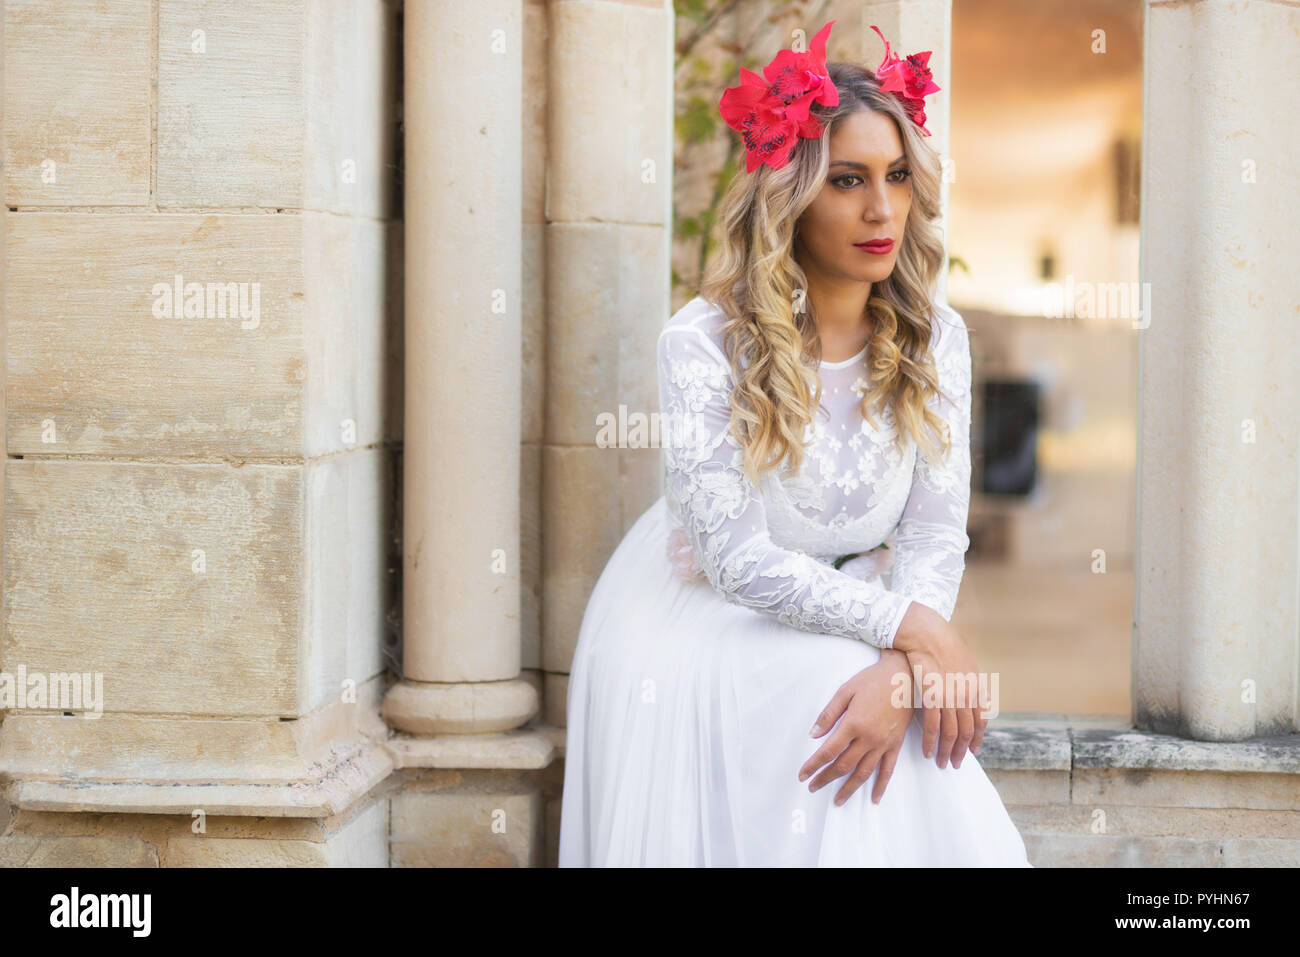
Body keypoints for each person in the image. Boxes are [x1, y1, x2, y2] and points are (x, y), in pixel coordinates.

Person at [558, 20, 1031, 867]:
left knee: (893, 715)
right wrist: (917, 634)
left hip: (864, 603)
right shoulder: (703, 344)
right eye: (847, 181)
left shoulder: (939, 339)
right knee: (834, 704)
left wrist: (902, 662)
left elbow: (929, 533)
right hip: (710, 611)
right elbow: (737, 560)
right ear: (792, 193)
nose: (881, 209)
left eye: (895, 177)